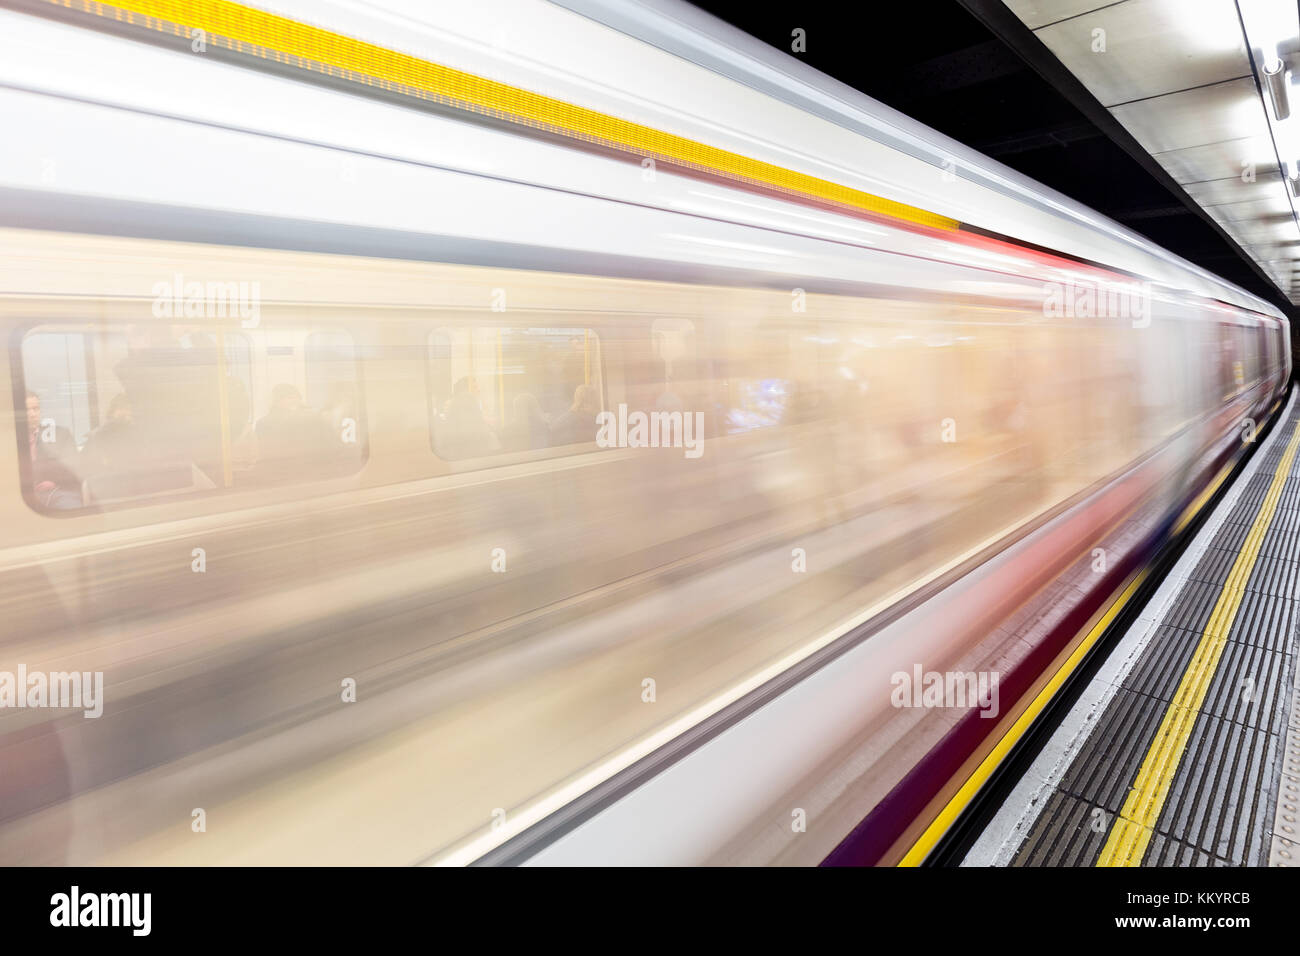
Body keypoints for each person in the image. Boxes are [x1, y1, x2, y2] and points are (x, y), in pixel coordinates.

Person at [254, 384, 337, 482]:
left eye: (295, 397)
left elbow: (331, 445)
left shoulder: (315, 418)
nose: (293, 400)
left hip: (305, 473)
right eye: (288, 397)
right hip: (293, 474)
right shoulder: (265, 423)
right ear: (277, 401)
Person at [25, 391, 82, 509]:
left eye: (36, 409)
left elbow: (74, 467)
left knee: (71, 509)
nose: (32, 414)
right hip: (22, 496)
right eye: (26, 410)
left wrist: (52, 481)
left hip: (57, 490)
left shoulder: (60, 435)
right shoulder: (9, 441)